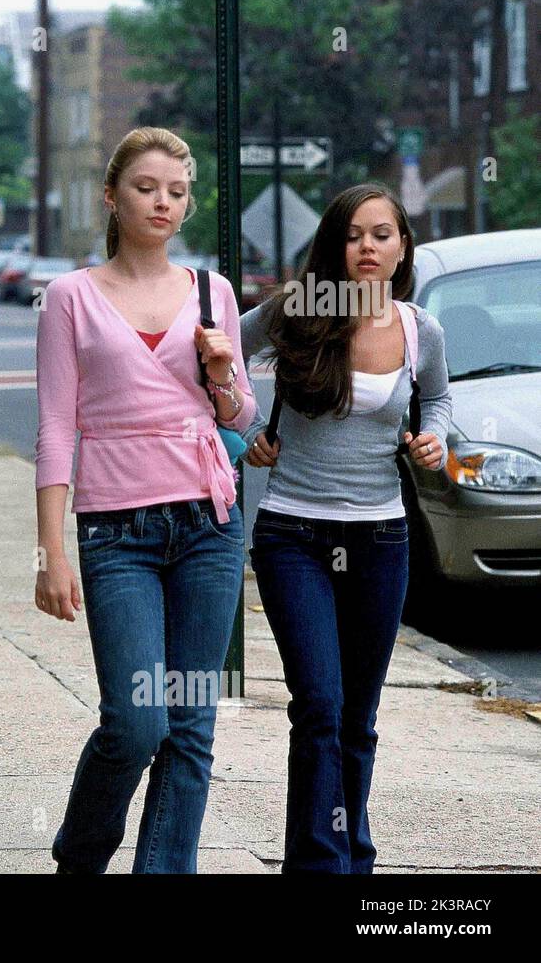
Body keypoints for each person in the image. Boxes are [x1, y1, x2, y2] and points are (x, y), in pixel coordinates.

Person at [34, 127, 257, 873]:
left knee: (190, 724)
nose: (162, 201)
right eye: (145, 187)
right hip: (115, 533)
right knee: (135, 721)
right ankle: (81, 855)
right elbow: (57, 425)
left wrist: (223, 371)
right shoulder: (70, 296)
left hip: (208, 524)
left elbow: (241, 419)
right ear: (111, 196)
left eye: (176, 191)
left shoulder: (210, 291)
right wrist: (52, 551)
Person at [240, 184, 451, 873]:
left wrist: (434, 438)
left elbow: (441, 399)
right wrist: (242, 428)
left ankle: (347, 852)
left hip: (381, 539)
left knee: (357, 718)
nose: (369, 247)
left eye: (383, 234)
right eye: (355, 235)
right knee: (321, 705)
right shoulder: (297, 312)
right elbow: (214, 355)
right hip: (293, 534)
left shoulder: (421, 329)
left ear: (402, 247)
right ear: (335, 246)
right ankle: (322, 862)